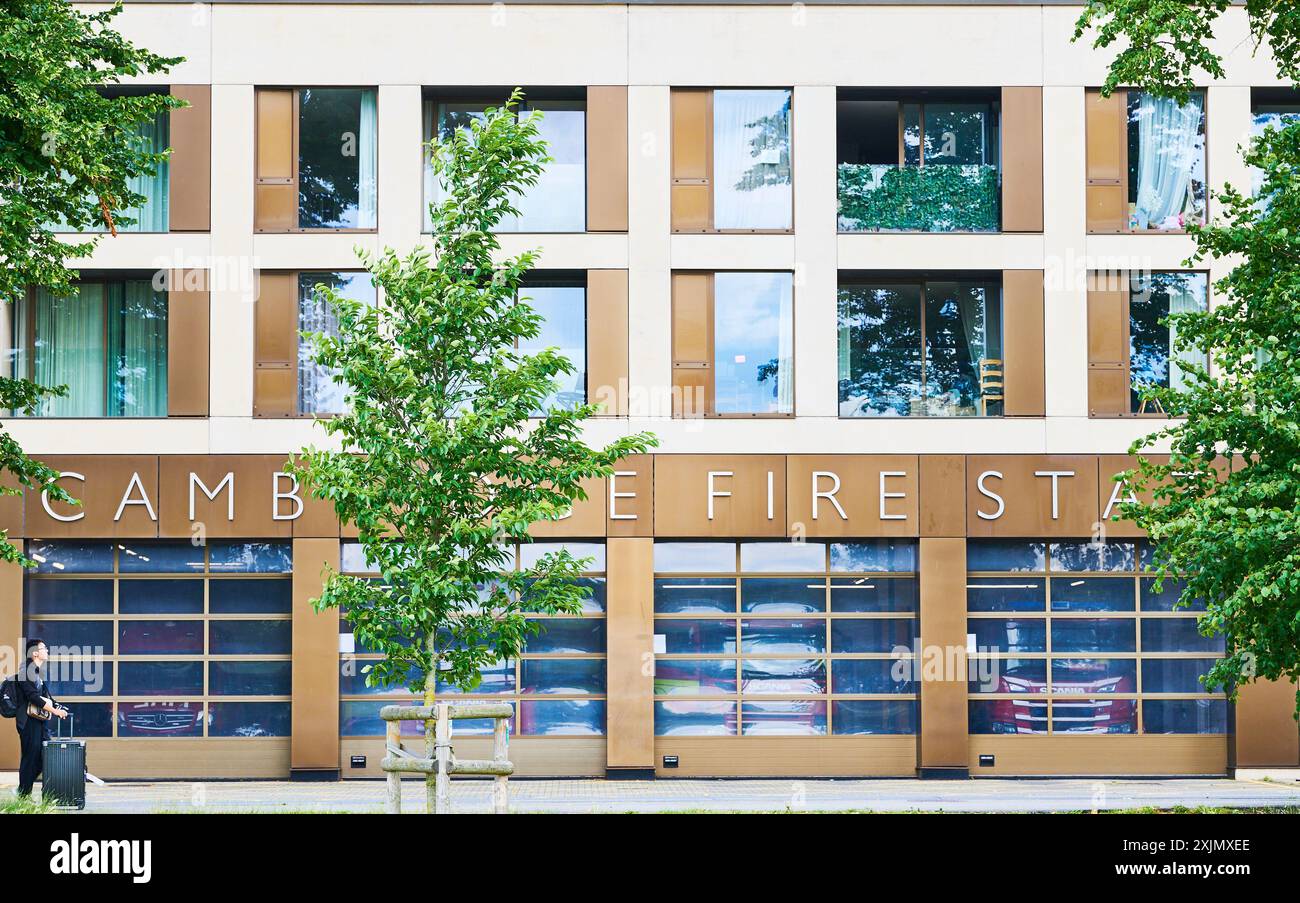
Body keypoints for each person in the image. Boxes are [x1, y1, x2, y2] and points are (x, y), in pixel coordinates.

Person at [15, 639, 69, 798]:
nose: (47, 650)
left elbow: (45, 697)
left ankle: (23, 791)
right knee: (30, 759)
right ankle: (23, 795)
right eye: (44, 648)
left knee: (44, 758)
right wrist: (54, 711)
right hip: (28, 722)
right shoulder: (25, 671)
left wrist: (59, 708)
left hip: (39, 722)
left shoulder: (37, 672)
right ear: (35, 653)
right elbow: (33, 698)